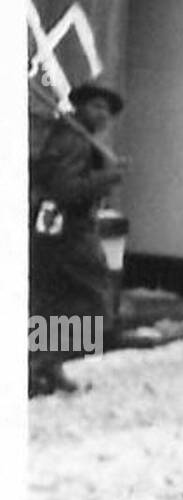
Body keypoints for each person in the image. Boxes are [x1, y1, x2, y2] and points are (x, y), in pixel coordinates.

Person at [28, 79, 128, 397]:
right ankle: (40, 362)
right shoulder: (72, 141)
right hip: (69, 235)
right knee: (94, 305)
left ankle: (45, 366)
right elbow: (66, 190)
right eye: (96, 106)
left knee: (56, 302)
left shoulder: (73, 139)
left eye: (108, 111)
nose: (103, 116)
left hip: (55, 233)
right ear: (79, 107)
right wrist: (108, 177)